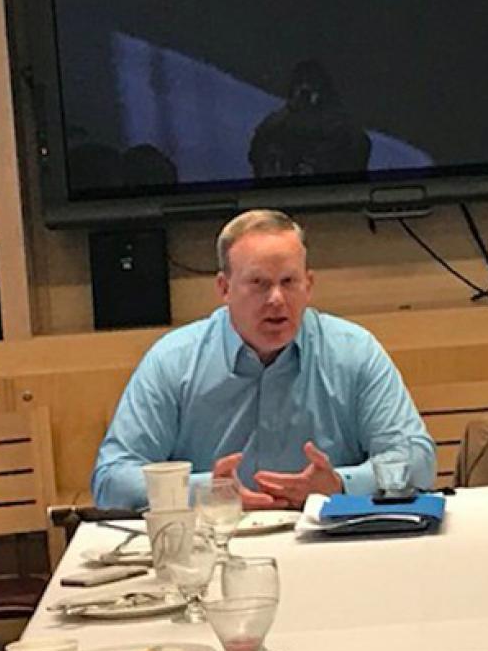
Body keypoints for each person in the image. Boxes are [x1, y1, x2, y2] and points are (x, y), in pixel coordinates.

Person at [92, 209, 435, 510]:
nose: (276, 299)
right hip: (215, 541)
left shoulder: (353, 352)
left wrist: (340, 485)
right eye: (258, 283)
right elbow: (111, 480)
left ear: (309, 285)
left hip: (327, 540)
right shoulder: (174, 361)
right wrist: (203, 490)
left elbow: (418, 461)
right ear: (224, 288)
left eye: (289, 282)